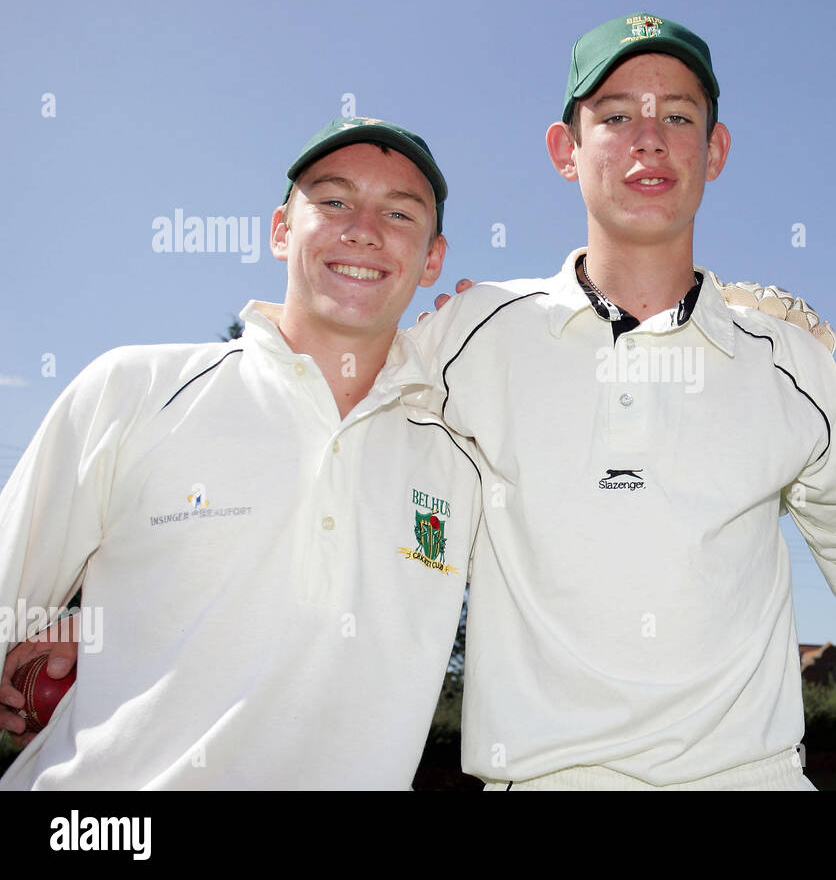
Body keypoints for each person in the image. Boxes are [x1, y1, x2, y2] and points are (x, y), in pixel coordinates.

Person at [418, 13, 836, 790]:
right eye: (617, 115)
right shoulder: (471, 335)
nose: (650, 139)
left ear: (715, 151)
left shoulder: (791, 362)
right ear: (567, 150)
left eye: (679, 117)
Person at [0, 117, 480, 789]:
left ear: (433, 260)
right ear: (282, 231)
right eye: (334, 200)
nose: (363, 229)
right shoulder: (134, 389)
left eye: (399, 213)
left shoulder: (466, 457)